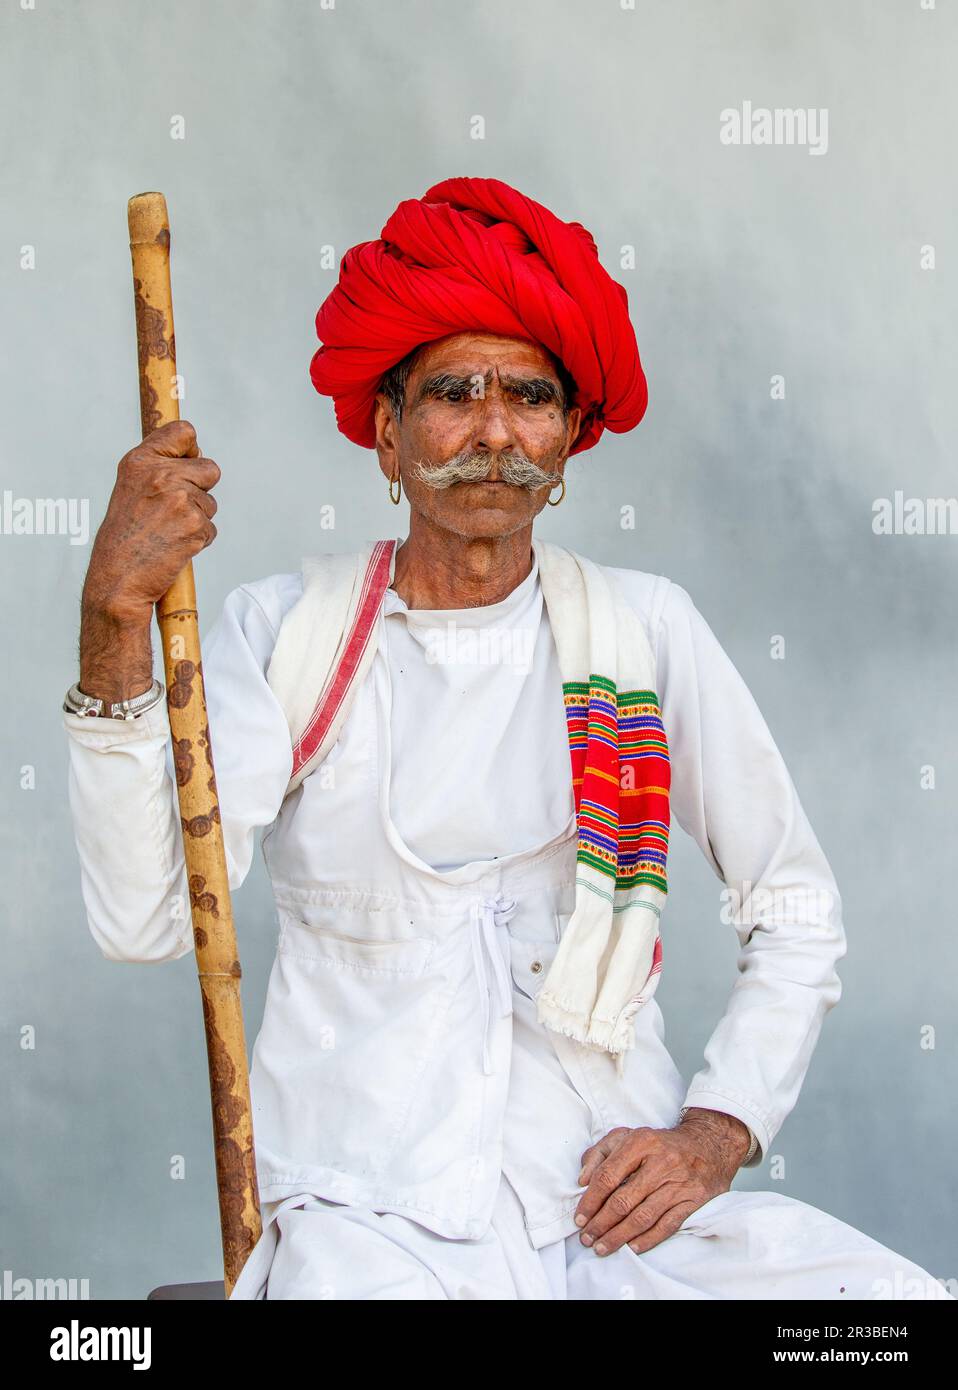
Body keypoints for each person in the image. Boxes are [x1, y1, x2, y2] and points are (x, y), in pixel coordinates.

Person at [62, 178, 951, 1300]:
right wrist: (113, 617)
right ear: (387, 433)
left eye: (529, 395)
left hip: (608, 1212)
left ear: (572, 438)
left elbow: (795, 905)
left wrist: (717, 1132)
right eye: (452, 393)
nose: (492, 432)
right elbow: (148, 919)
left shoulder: (647, 631)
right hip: (364, 1220)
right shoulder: (287, 632)